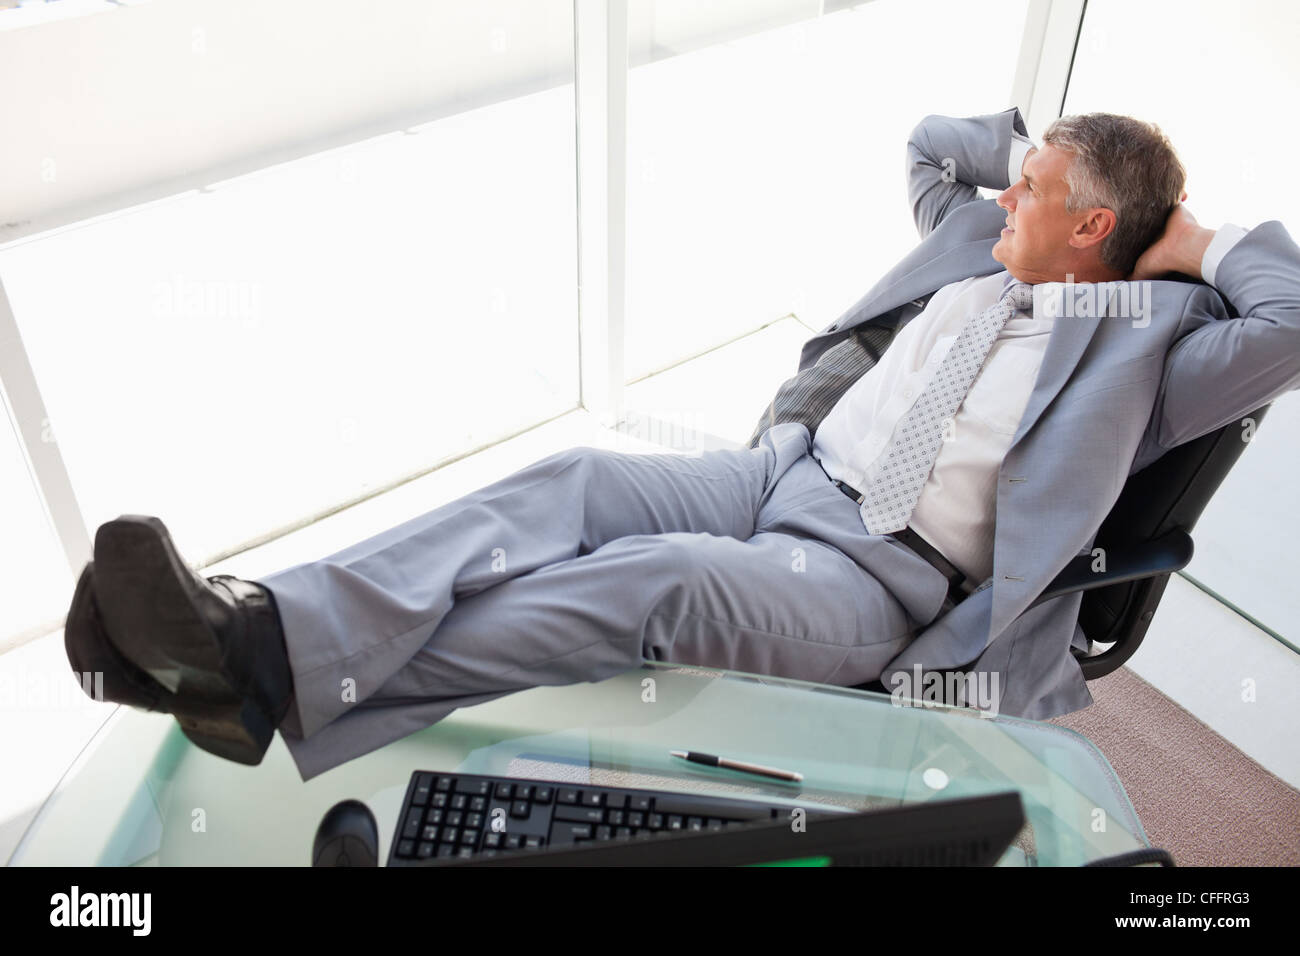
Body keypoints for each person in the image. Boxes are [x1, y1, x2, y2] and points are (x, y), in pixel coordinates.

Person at [64, 108, 1300, 780]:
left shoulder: (1149, 347)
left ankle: (257, 660)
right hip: (783, 472)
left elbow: (1289, 316)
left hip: (881, 576)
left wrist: (1188, 233)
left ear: (1092, 225)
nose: (1004, 198)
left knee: (636, 586)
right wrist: (1024, 144)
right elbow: (928, 140)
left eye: (1034, 189)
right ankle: (252, 637)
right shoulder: (980, 244)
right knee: (578, 476)